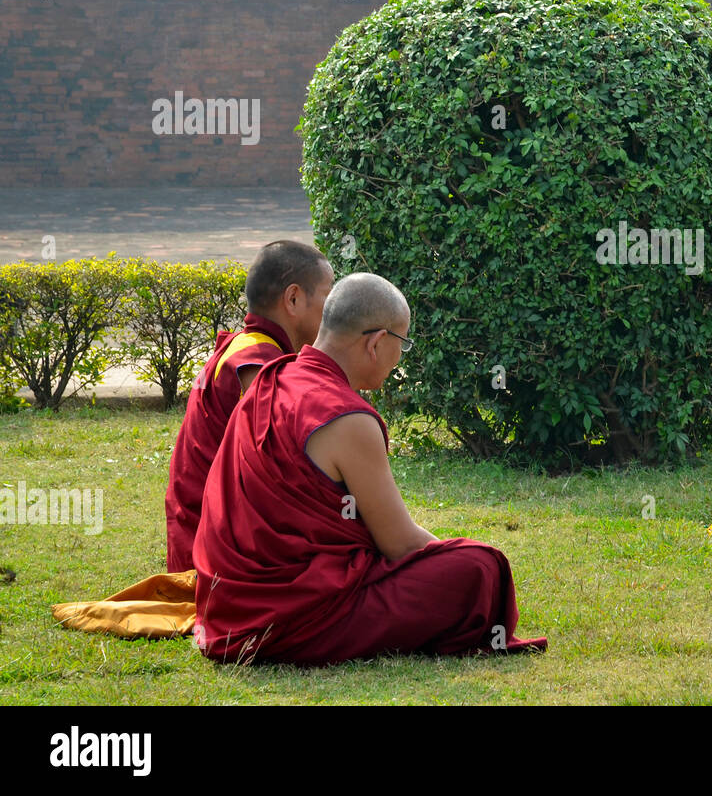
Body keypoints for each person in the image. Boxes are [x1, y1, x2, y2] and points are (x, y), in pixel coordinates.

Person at [192, 272, 546, 665]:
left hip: (223, 614)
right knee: (480, 568)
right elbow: (399, 543)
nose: (400, 360)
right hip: (294, 620)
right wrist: (454, 550)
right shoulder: (346, 417)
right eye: (403, 345)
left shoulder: (270, 380)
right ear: (378, 343)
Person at [164, 240, 334, 572]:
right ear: (294, 299)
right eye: (328, 297)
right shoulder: (256, 361)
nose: (333, 312)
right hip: (214, 554)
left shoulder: (255, 346)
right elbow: (278, 462)